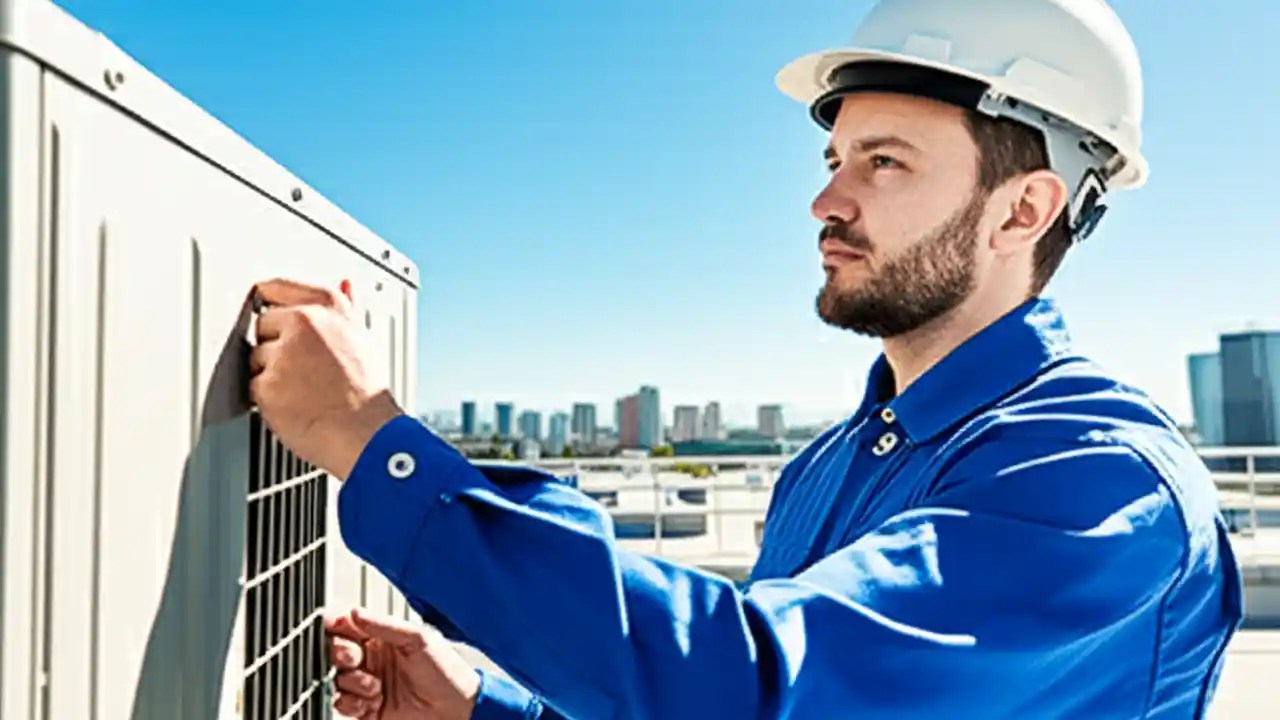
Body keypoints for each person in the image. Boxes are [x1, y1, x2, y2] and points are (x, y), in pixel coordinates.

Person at [248, 0, 1244, 717]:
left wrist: (367, 437)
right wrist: (487, 708)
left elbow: (756, 689)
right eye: (832, 162)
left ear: (1021, 211)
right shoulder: (834, 463)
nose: (825, 202)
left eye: (884, 161)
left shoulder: (1096, 483)